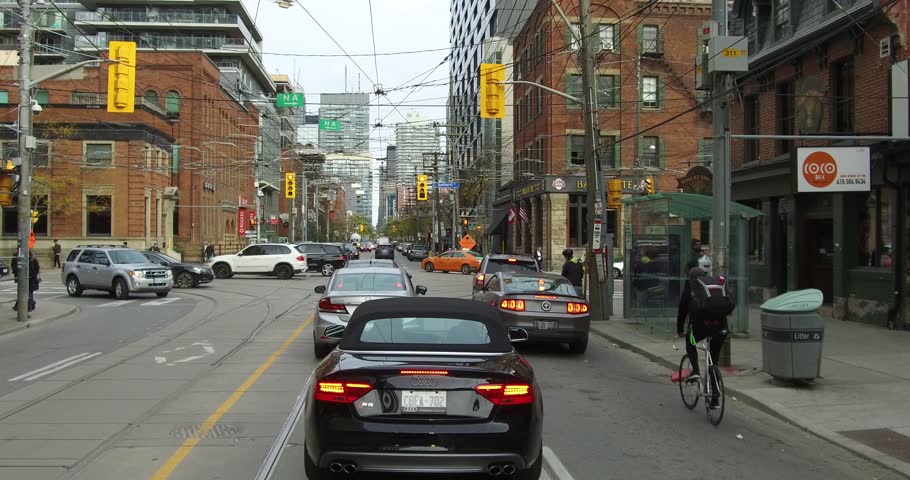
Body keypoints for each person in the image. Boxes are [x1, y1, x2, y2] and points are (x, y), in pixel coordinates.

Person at [677, 267, 727, 408]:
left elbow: (682, 312)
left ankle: (696, 371)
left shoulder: (690, 290)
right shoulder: (716, 287)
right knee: (713, 362)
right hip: (721, 329)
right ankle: (715, 398)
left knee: (690, 341)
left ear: (690, 278)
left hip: (700, 329)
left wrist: (680, 330)